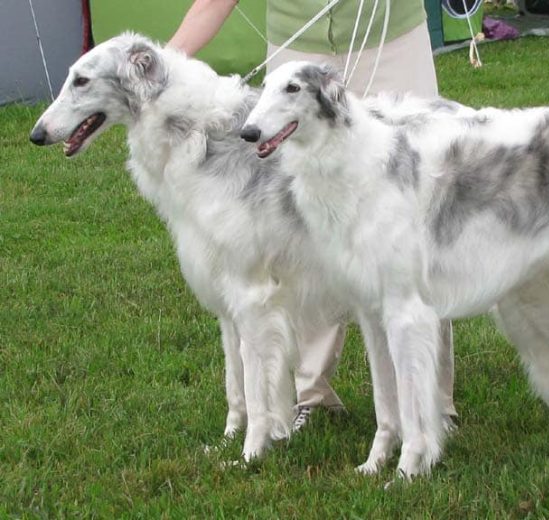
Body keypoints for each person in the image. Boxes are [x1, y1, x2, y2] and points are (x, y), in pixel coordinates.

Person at [168, 0, 455, 431]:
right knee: (300, 226)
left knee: (417, 216)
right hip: (295, 47)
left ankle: (432, 401)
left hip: (392, 37)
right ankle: (313, 393)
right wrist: (165, 67)